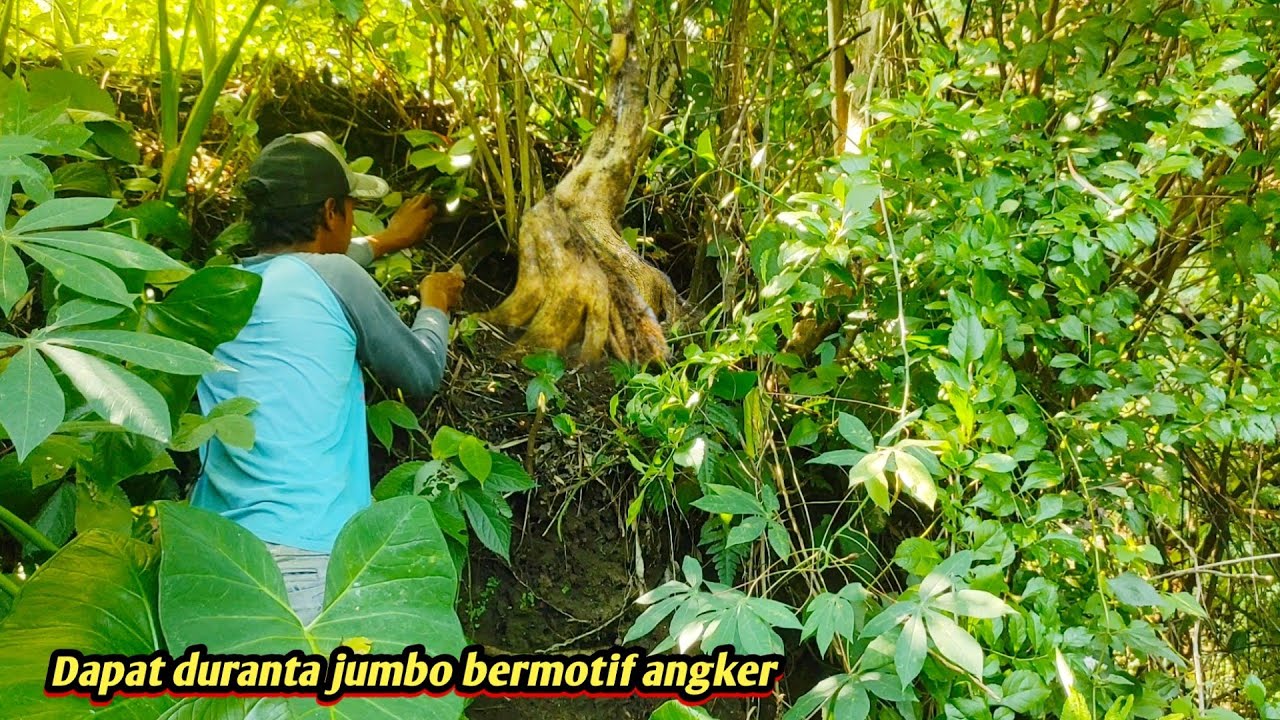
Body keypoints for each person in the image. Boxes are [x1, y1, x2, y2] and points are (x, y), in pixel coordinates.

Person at [191, 131, 464, 624]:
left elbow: (302, 268)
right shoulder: (336, 277)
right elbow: (421, 373)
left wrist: (384, 242)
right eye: (350, 208)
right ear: (331, 213)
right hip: (308, 555)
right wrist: (435, 306)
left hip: (213, 556)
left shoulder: (215, 293)